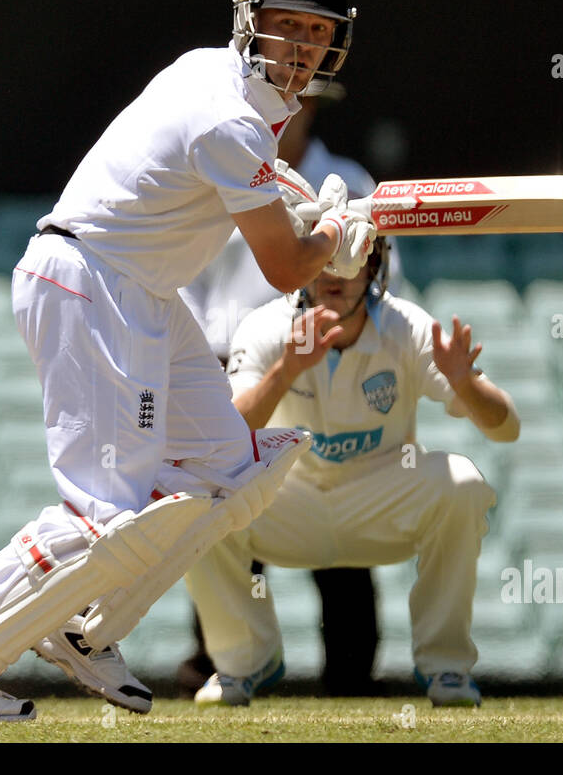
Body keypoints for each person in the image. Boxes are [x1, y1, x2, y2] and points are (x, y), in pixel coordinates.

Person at [0, 0, 376, 722]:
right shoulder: (230, 114)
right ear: (252, 22)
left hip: (140, 289)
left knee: (232, 468)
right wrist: (335, 242)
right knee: (101, 511)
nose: (301, 47)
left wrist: (321, 221)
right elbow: (283, 267)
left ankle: (88, 629)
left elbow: (254, 192)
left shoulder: (215, 79)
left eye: (317, 31)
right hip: (90, 281)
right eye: (287, 27)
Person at [185, 237, 519, 707]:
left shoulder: (408, 326)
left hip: (379, 500)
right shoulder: (265, 326)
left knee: (462, 484)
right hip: (289, 499)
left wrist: (466, 384)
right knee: (199, 494)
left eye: (350, 260)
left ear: (374, 269)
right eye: (322, 260)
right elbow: (227, 438)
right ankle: (243, 663)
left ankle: (446, 668)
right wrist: (286, 370)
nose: (334, 274)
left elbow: (506, 429)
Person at [177, 87, 394, 697]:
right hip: (232, 360)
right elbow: (184, 283)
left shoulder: (347, 180)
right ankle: (225, 664)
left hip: (331, 353)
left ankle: (351, 676)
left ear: (313, 109)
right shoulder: (221, 173)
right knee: (224, 512)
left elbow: (382, 276)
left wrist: (348, 333)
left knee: (337, 501)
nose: (279, 116)